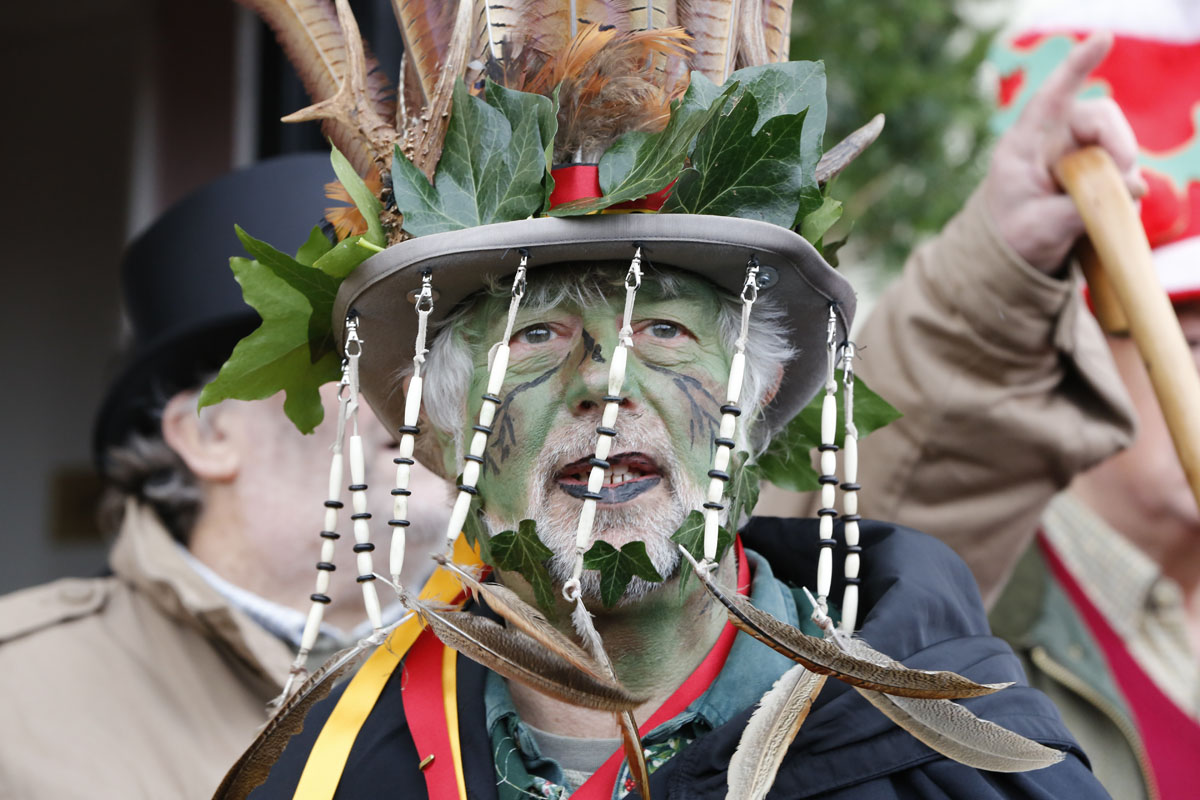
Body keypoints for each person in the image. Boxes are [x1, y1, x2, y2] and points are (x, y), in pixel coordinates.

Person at [207, 3, 1112, 797]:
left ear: (754, 403)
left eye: (666, 330)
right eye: (536, 335)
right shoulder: (324, 778)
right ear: (441, 436)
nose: (605, 381)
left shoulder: (961, 770)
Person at [775, 7, 1198, 798]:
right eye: (1194, 342)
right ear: (1074, 343)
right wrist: (1006, 263)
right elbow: (889, 521)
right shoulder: (957, 595)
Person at [0, 154, 452, 799]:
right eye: (351, 350)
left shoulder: (545, 680)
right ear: (208, 434)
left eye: (436, 349)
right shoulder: (16, 695)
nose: (422, 386)